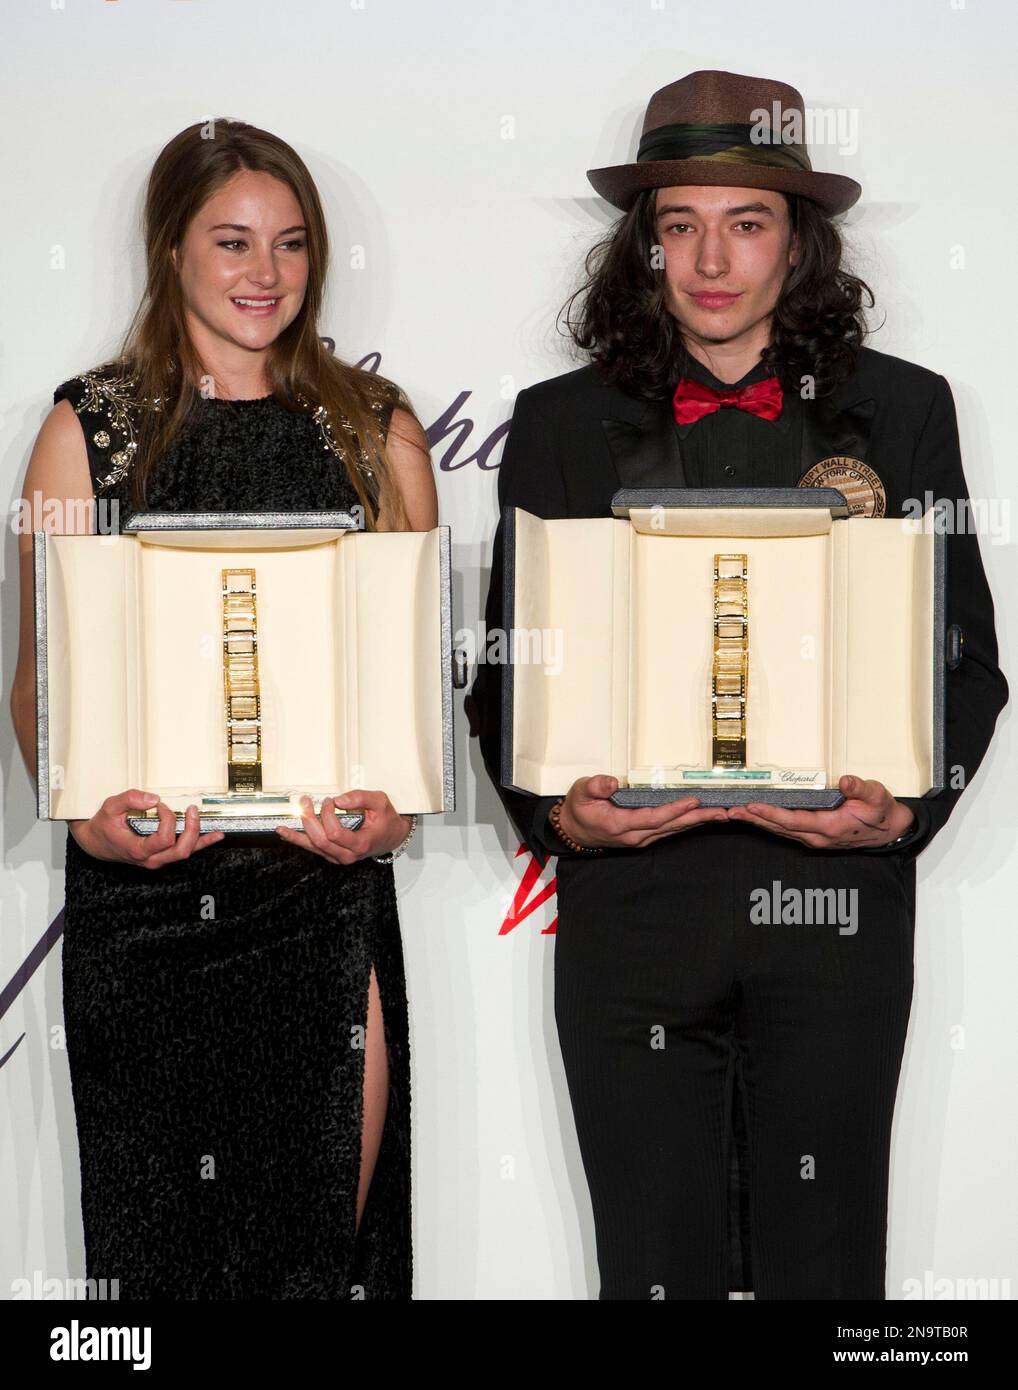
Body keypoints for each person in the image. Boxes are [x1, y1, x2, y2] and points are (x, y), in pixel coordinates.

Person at [469, 69, 1009, 1299]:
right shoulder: (557, 421)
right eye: (679, 224)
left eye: (747, 223)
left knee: (828, 1281)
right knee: (650, 1271)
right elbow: (506, 666)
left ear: (797, 242)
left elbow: (965, 662)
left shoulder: (904, 410)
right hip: (632, 911)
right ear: (643, 242)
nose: (711, 259)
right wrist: (557, 815)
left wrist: (904, 813)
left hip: (832, 906)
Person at [9, 118, 437, 1299]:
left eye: (292, 245)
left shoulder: (377, 430)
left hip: (320, 898)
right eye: (234, 242)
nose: (267, 275)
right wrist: (89, 814)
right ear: (171, 252)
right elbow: (42, 687)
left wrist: (389, 817)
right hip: (144, 915)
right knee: (160, 1278)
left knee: (315, 1264)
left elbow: (407, 693)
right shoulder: (84, 434)